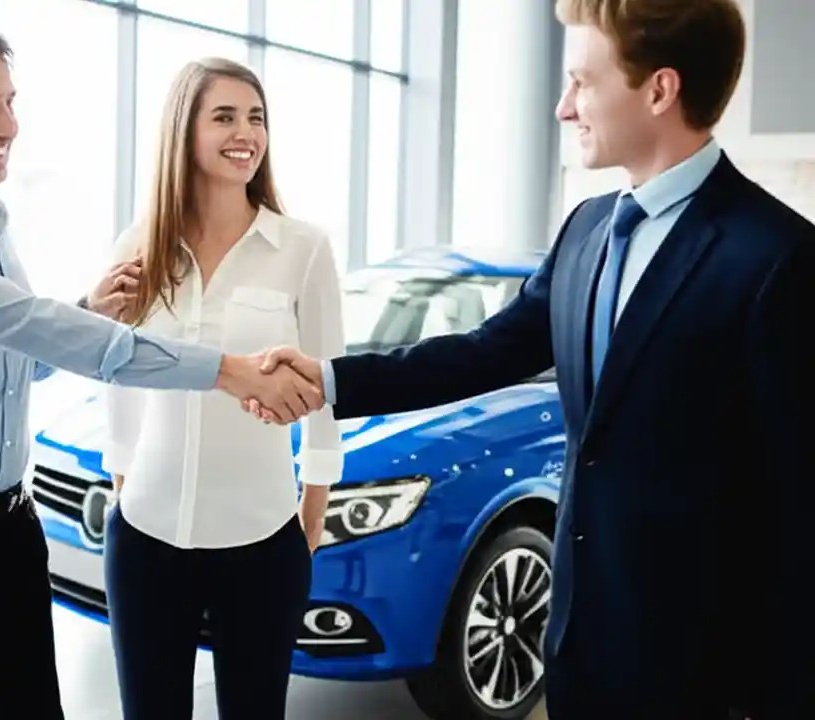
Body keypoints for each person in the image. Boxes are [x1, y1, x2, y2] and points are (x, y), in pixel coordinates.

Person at [255, 0, 814, 717]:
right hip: (577, 649)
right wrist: (327, 380)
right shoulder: (586, 231)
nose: (561, 107)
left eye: (582, 82)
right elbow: (486, 352)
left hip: (705, 673)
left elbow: (797, 515)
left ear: (660, 89)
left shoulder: (777, 259)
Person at [0, 21, 321, 720]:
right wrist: (226, 371)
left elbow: (20, 356)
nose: (8, 124)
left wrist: (86, 310)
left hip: (10, 523)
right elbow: (39, 328)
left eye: (9, 101)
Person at [98, 57, 343, 720]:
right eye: (226, 116)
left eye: (256, 117)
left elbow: (328, 390)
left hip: (262, 541)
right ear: (186, 130)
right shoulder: (139, 244)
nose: (247, 133)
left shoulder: (303, 248)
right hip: (146, 534)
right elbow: (119, 369)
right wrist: (122, 480)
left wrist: (310, 521)